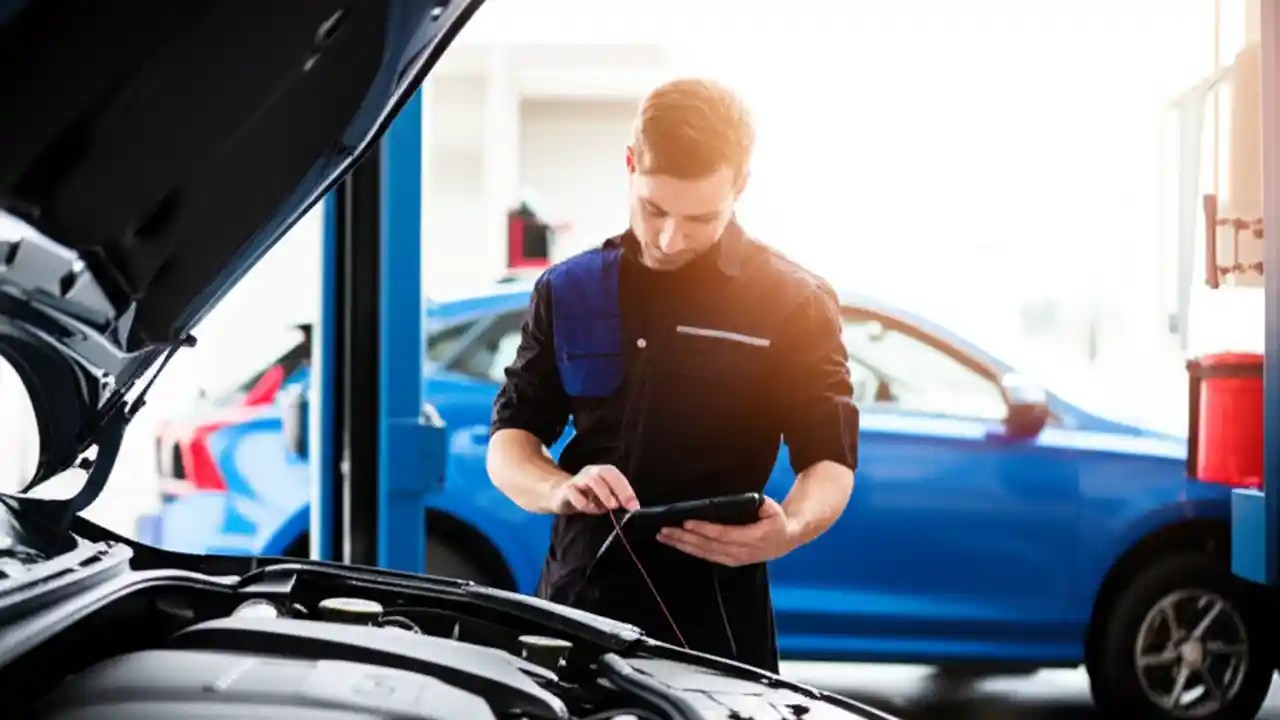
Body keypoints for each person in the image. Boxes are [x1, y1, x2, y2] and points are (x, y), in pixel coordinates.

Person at [486, 77, 858, 673]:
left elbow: (829, 460)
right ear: (630, 165)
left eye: (700, 219)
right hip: (579, 605)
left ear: (740, 187)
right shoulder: (567, 290)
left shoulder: (794, 302)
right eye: (654, 208)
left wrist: (790, 528)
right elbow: (511, 441)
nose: (668, 237)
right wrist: (556, 487)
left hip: (717, 621)